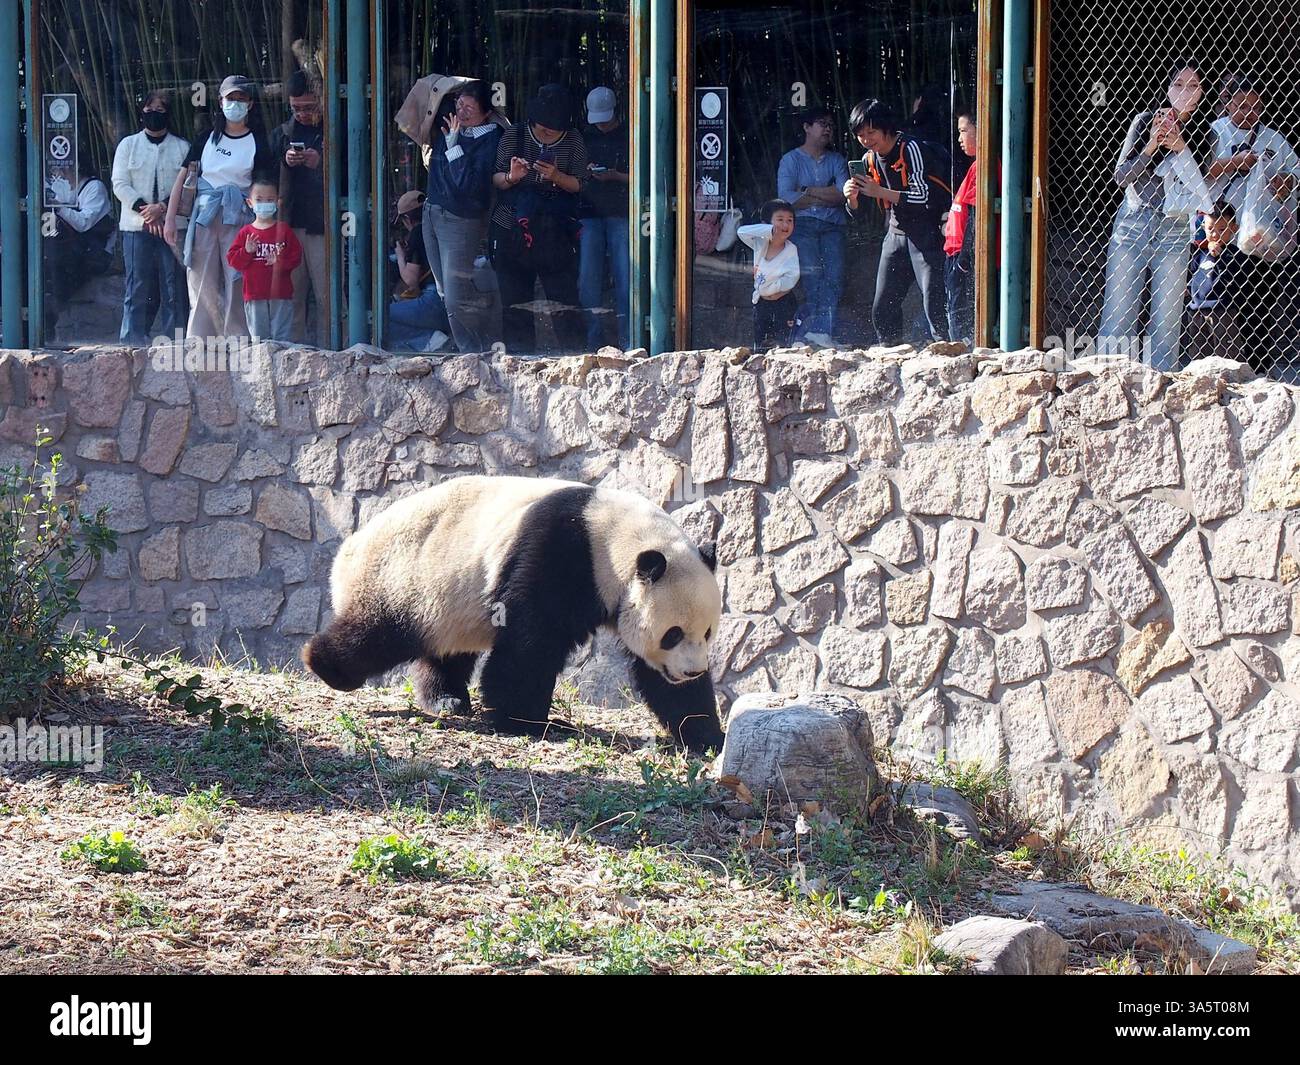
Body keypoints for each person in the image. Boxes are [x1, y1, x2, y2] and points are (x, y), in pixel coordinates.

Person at [1099, 62, 1213, 370]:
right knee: (1119, 312)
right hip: (1134, 220)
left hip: (1175, 226)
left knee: (1166, 321)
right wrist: (1151, 145)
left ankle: (1161, 385)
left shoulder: (1207, 133)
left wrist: (1180, 147)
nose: (1185, 92)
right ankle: (1109, 379)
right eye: (1178, 84)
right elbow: (1122, 177)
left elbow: (1201, 188)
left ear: (1203, 93)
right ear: (1167, 88)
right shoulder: (1145, 121)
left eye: (1194, 86)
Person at [164, 74, 274, 340]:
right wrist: (170, 218)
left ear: (250, 104)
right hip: (204, 213)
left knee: (238, 276)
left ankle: (238, 337)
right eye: (230, 98)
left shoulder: (258, 142)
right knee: (200, 277)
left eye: (241, 99)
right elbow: (183, 177)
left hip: (240, 214)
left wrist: (263, 224)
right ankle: (200, 338)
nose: (235, 104)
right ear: (220, 102)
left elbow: (264, 187)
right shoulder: (206, 138)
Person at [1206, 74, 1300, 375]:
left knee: (1260, 304)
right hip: (1221, 234)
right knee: (1219, 303)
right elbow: (1196, 170)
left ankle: (1258, 371)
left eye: (1256, 107)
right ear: (1228, 104)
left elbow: (1295, 171)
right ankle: (1221, 368)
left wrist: (1287, 181)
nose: (1249, 112)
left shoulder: (1273, 139)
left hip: (1259, 237)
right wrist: (1235, 163)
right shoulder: (1214, 131)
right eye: (1241, 105)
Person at [490, 84, 588, 356]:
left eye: (553, 131)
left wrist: (556, 176)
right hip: (513, 226)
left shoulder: (573, 140)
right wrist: (512, 177)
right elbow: (495, 179)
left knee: (564, 299)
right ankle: (519, 357)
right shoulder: (514, 134)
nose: (546, 134)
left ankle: (573, 356)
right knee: (514, 302)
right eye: (542, 129)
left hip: (554, 229)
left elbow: (581, 184)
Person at [843, 99, 949, 344]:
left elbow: (923, 196)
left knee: (934, 300)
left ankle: (947, 348)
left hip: (926, 233)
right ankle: (890, 350)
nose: (866, 140)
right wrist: (852, 199)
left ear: (886, 127)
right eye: (860, 135)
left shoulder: (911, 148)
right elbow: (859, 213)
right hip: (894, 234)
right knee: (883, 306)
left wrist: (880, 191)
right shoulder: (869, 159)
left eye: (871, 132)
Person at [423, 79, 504, 353]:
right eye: (459, 105)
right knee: (444, 291)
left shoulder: (491, 139)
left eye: (469, 108)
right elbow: (426, 96)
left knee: (456, 297)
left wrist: (454, 147)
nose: (461, 112)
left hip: (460, 220)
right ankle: (467, 345)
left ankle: (472, 351)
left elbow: (468, 186)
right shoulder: (448, 124)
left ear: (487, 112)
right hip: (432, 212)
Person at [112, 90, 189, 345]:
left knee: (174, 287)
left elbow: (188, 185)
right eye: (149, 109)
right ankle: (132, 342)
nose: (154, 114)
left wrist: (163, 208)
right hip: (136, 226)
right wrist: (146, 210)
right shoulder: (128, 145)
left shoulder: (182, 147)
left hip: (173, 225)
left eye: (160, 110)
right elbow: (119, 183)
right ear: (141, 113)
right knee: (136, 285)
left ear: (168, 114)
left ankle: (176, 342)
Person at [776, 107, 848, 347]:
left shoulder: (837, 160)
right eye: (822, 123)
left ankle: (820, 332)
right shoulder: (790, 160)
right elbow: (786, 199)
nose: (828, 129)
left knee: (834, 276)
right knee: (812, 276)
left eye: (830, 125)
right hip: (803, 225)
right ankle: (815, 332)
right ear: (807, 127)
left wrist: (807, 191)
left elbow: (843, 195)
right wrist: (827, 194)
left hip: (832, 225)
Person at [270, 70, 327, 344]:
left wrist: (323, 163)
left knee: (327, 294)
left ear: (321, 101)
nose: (303, 114)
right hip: (289, 223)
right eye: (296, 108)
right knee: (291, 294)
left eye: (308, 107)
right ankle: (294, 350)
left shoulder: (334, 130)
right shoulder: (281, 133)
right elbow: (264, 180)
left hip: (323, 224)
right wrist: (286, 160)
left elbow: (355, 175)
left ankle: (334, 349)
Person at [578, 86, 631, 350]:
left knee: (625, 279)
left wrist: (615, 176)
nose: (600, 124)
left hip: (621, 211)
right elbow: (575, 173)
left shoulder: (631, 133)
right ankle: (592, 340)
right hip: (590, 212)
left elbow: (645, 176)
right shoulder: (586, 135)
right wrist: (587, 171)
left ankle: (629, 339)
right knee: (588, 279)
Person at [43, 156, 115, 338]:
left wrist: (58, 207)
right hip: (68, 250)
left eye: (63, 169)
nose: (60, 175)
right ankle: (46, 320)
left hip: (93, 253)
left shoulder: (94, 187)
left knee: (59, 271)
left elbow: (83, 223)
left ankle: (49, 322)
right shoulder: (62, 188)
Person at [225, 177, 302, 342]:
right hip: (254, 295)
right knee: (259, 340)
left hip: (281, 295)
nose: (264, 204)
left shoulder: (284, 230)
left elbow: (296, 258)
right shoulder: (246, 233)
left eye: (269, 200)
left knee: (282, 339)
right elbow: (233, 260)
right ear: (250, 203)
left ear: (278, 203)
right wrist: (246, 251)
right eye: (259, 200)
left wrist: (279, 262)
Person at [1184, 200, 1247, 362]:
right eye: (1210, 229)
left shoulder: (1235, 254)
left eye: (1221, 229)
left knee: (1226, 352)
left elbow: (1237, 277)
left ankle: (1231, 374)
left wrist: (1220, 255)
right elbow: (1192, 274)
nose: (1214, 234)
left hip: (1223, 309)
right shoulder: (1199, 254)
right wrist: (1188, 289)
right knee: (1198, 350)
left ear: (1234, 229)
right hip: (1197, 309)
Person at [391, 190, 451, 351]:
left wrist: (400, 256)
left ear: (407, 219)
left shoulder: (418, 233)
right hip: (451, 299)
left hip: (433, 301)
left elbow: (410, 280)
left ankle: (427, 339)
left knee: (381, 316)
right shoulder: (439, 227)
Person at [738, 200, 801, 350]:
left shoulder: (791, 250)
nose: (785, 225)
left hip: (783, 302)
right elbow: (741, 232)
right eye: (780, 220)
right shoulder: (760, 243)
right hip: (761, 302)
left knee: (782, 343)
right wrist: (768, 230)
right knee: (760, 341)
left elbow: (792, 277)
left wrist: (774, 290)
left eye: (790, 220)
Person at [944, 111, 978, 344]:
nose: (959, 138)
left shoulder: (982, 167)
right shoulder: (975, 166)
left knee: (960, 316)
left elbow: (976, 217)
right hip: (956, 252)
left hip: (963, 256)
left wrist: (964, 259)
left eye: (963, 131)